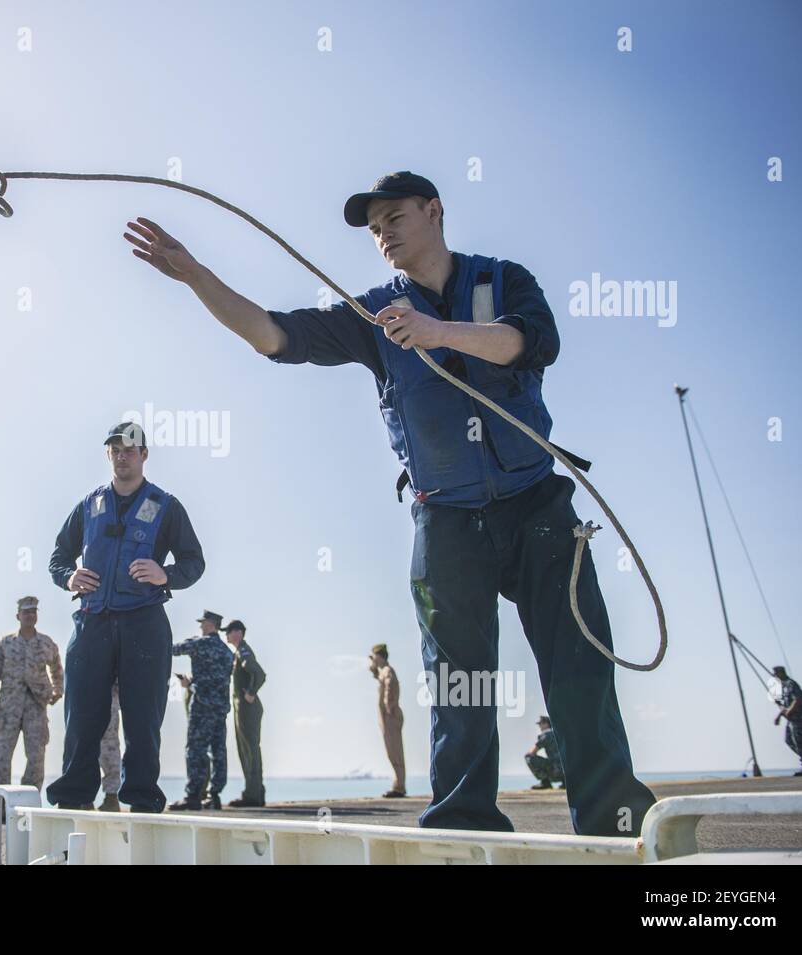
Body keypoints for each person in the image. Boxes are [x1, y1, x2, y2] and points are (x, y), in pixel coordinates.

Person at [124, 170, 657, 836]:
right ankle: (465, 832)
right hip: (448, 518)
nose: (383, 236)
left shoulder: (502, 279)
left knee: (581, 670)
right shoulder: (373, 315)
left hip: (536, 506)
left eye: (394, 219)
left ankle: (616, 827)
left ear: (434, 211)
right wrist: (196, 274)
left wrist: (439, 332)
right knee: (461, 689)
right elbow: (273, 335)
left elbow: (531, 342)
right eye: (374, 230)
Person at [45, 422, 206, 812]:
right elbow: (58, 558)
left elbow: (194, 561)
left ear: (144, 455)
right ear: (108, 455)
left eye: (130, 449)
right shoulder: (89, 505)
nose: (122, 454)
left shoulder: (165, 505)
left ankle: (142, 802)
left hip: (143, 622)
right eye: (115, 449)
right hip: (92, 621)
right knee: (82, 716)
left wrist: (165, 573)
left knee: (142, 719)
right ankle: (72, 800)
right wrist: (69, 578)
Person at [0, 596, 63, 789]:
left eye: (33, 612)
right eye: (26, 612)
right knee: (1, 757)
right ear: (18, 616)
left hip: (36, 707)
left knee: (36, 758)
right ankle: (0, 804)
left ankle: (29, 800)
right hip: (8, 708)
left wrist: (58, 691)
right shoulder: (5, 644)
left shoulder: (46, 643)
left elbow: (57, 669)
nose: (30, 615)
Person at [169, 611, 235, 811]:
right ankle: (214, 795)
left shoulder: (200, 643)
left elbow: (172, 650)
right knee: (218, 750)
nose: (200, 626)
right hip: (220, 706)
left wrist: (189, 683)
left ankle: (193, 796)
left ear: (210, 624)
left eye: (203, 623)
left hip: (202, 704)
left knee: (195, 750)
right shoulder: (227, 652)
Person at [225, 619, 267, 808]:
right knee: (247, 750)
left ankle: (253, 795)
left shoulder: (243, 651)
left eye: (229, 631)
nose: (226, 634)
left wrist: (251, 692)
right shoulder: (239, 652)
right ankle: (255, 793)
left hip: (246, 707)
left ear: (238, 633)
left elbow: (259, 673)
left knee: (249, 750)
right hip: (242, 707)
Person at [369, 644, 406, 798]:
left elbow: (390, 686)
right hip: (387, 716)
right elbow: (382, 679)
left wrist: (389, 706)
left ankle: (399, 786)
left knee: (395, 751)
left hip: (390, 715)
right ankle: (398, 784)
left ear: (379, 655)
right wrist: (374, 671)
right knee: (392, 751)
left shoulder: (387, 671)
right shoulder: (384, 671)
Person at [98, 682, 122, 812]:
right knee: (81, 742)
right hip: (86, 687)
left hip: (109, 690)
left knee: (109, 745)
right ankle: (84, 797)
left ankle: (111, 796)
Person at [526, 715, 565, 790]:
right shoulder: (558, 733)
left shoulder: (546, 735)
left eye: (540, 724)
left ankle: (545, 782)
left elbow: (532, 752)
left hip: (556, 770)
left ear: (546, 724)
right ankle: (565, 782)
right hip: (566, 769)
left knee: (528, 757)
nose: (539, 726)